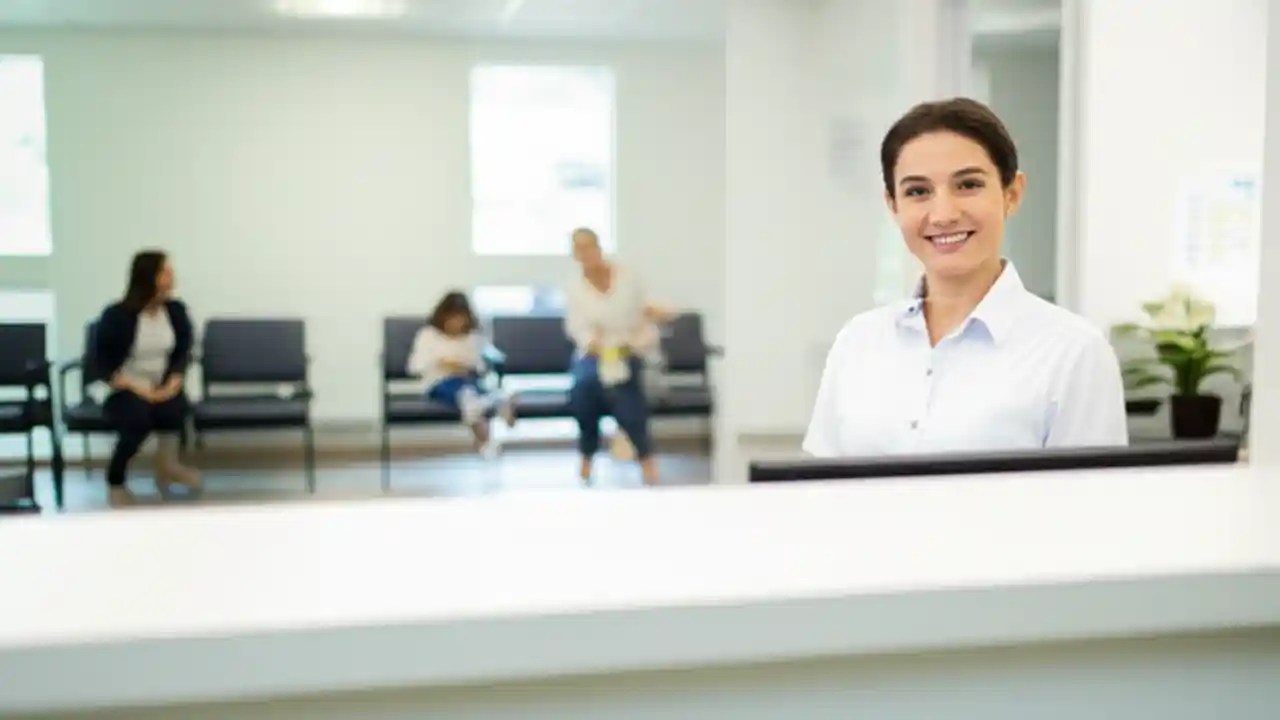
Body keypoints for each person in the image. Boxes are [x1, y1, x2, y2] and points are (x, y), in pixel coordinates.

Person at [804, 98, 1128, 457]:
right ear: (893, 205)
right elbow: (818, 495)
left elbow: (1092, 505)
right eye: (917, 192)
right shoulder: (857, 343)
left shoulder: (1073, 352)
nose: (943, 214)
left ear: (1012, 194)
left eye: (968, 185)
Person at [95, 250, 201, 506]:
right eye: (165, 271)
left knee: (174, 408)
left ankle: (167, 467)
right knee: (138, 418)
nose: (172, 276)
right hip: (122, 385)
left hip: (161, 384)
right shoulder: (116, 315)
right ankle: (116, 479)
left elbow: (184, 349)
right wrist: (143, 391)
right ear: (148, 277)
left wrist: (173, 381)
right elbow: (101, 364)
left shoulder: (175, 311)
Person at [565, 227, 661, 485]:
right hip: (593, 353)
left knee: (626, 396)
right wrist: (593, 343)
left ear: (598, 247)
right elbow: (576, 327)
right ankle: (587, 454)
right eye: (579, 249)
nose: (585, 253)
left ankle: (646, 457)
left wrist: (633, 341)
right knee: (584, 389)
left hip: (628, 349)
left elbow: (645, 311)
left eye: (589, 247)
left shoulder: (628, 277)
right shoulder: (575, 288)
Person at [407, 291, 514, 456]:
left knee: (471, 391)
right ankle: (485, 426)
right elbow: (415, 366)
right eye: (452, 317)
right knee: (466, 395)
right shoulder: (428, 335)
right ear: (442, 316)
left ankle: (493, 406)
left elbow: (480, 367)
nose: (456, 323)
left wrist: (463, 366)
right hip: (439, 383)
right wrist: (443, 364)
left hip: (468, 380)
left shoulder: (472, 337)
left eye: (460, 318)